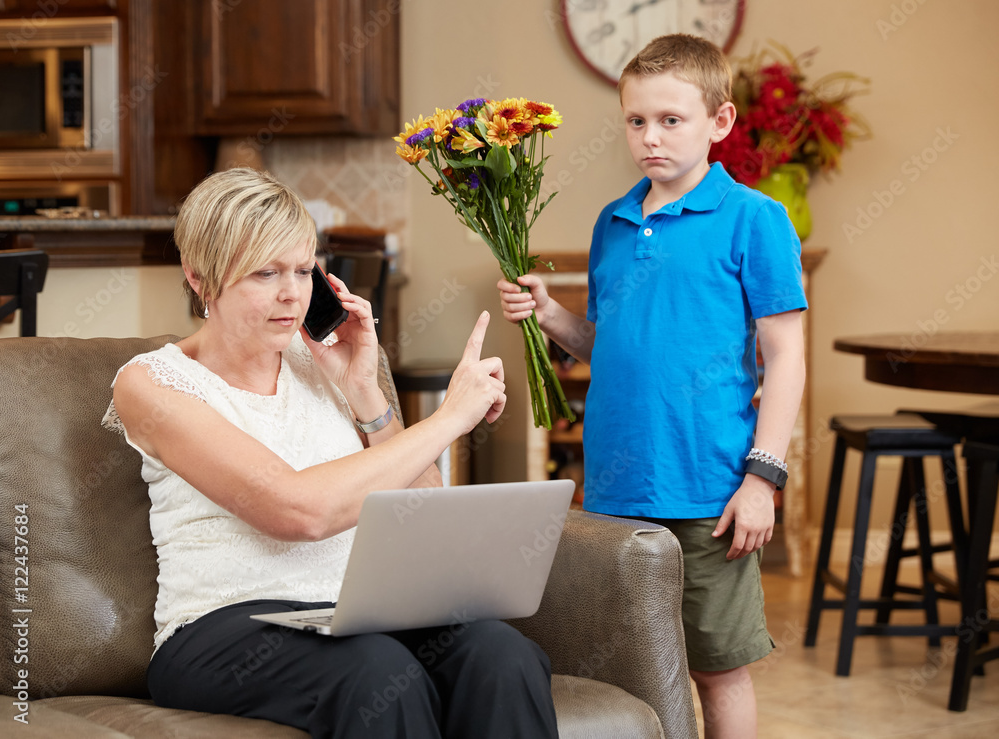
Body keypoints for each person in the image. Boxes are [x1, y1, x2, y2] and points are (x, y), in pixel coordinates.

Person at [103, 167, 558, 738]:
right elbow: (297, 512)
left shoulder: (322, 359)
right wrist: (450, 419)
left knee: (501, 655)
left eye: (301, 269)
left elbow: (420, 501)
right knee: (376, 672)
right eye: (265, 273)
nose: (292, 294)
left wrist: (364, 391)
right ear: (201, 279)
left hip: (350, 615)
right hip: (220, 628)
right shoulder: (153, 384)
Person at [498, 34, 806, 739]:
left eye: (671, 120)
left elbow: (786, 357)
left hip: (709, 490)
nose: (650, 137)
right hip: (613, 491)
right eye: (637, 121)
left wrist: (763, 476)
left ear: (719, 123)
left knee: (717, 664)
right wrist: (550, 315)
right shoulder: (613, 222)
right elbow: (608, 348)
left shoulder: (754, 220)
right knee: (628, 665)